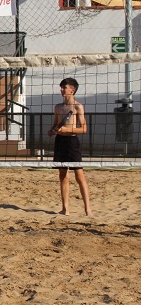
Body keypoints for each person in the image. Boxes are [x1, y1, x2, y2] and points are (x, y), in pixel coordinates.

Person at [47, 77, 92, 216]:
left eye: (64, 87)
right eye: (61, 87)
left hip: (72, 142)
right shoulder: (58, 107)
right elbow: (56, 124)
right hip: (60, 142)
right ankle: (65, 208)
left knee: (79, 175)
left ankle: (87, 209)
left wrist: (67, 130)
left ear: (72, 90)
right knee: (62, 175)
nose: (61, 90)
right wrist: (52, 130)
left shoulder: (78, 107)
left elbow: (83, 129)